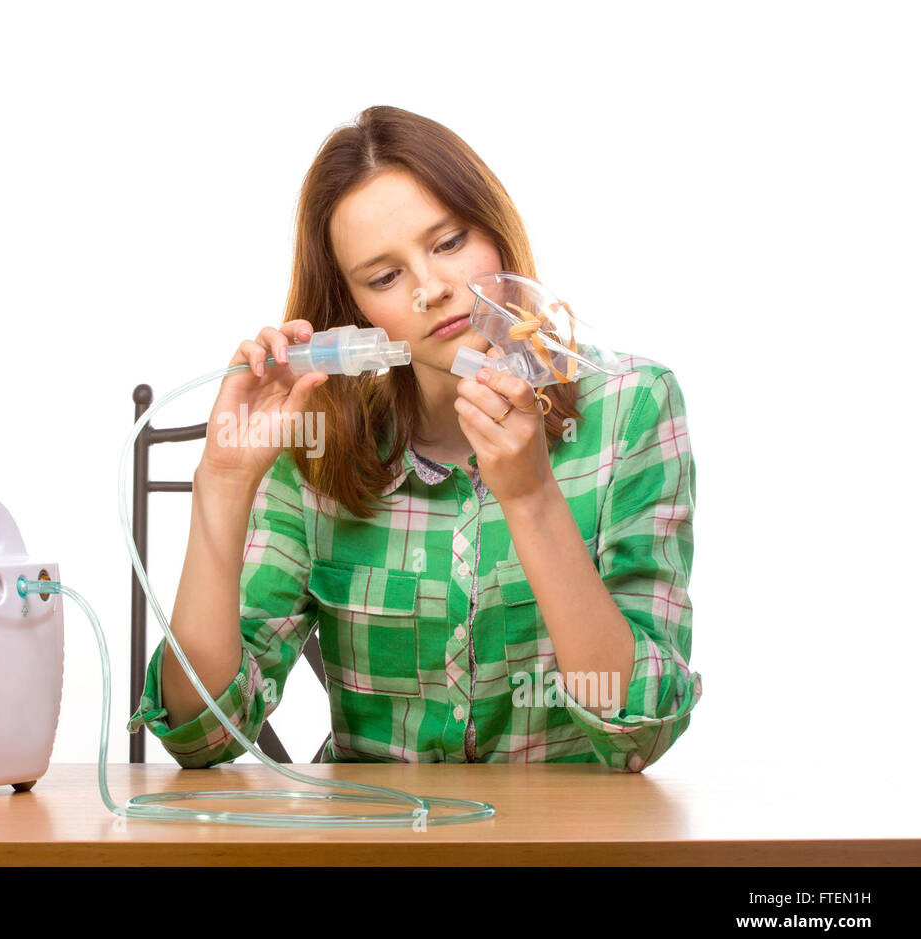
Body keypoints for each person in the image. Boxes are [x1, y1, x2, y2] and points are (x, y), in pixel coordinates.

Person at [127, 105, 701, 771]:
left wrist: (531, 495)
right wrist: (223, 484)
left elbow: (641, 732)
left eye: (449, 242)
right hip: (377, 838)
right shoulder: (318, 444)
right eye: (385, 277)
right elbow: (203, 734)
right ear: (354, 315)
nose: (432, 289)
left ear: (495, 230)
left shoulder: (630, 409)